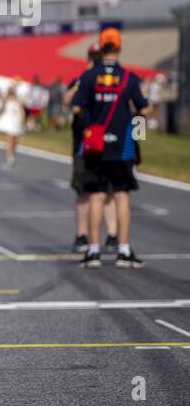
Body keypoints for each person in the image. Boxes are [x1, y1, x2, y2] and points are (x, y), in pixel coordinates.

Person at [73, 28, 147, 268]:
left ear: (102, 47)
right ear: (119, 47)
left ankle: (93, 251)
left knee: (96, 194)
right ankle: (123, 250)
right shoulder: (129, 78)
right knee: (122, 194)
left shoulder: (88, 76)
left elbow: (77, 108)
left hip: (96, 144)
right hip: (122, 145)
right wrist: (136, 134)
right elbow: (143, 109)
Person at [69, 44, 117, 252]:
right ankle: (83, 235)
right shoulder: (84, 79)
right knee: (85, 190)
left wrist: (135, 145)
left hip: (111, 143)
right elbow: (70, 102)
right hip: (85, 143)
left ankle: (113, 236)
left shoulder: (118, 80)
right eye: (93, 57)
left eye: (99, 57)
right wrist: (83, 81)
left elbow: (137, 111)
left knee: (111, 191)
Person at [0, 82, 25, 167]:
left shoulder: (17, 100)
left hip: (15, 120)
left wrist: (22, 120)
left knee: (15, 140)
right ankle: (9, 156)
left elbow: (21, 111)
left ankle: (12, 153)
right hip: (7, 120)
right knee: (9, 138)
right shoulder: (4, 100)